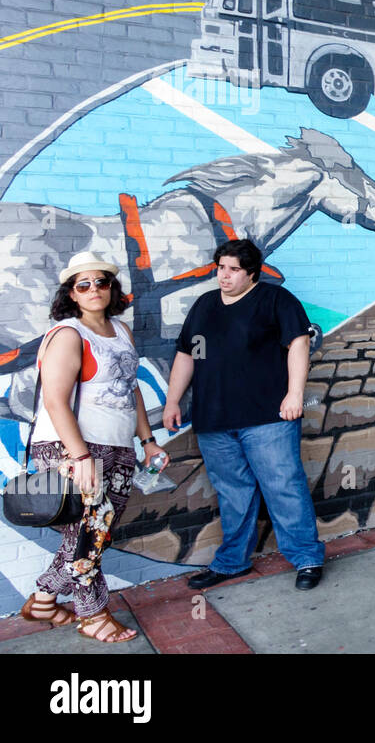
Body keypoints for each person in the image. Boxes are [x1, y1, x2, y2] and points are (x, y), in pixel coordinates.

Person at [21, 251, 168, 642]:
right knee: (89, 534)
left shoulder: (122, 332)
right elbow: (54, 399)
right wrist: (79, 456)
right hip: (73, 449)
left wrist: (148, 440)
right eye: (82, 285)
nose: (93, 290)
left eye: (101, 282)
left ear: (111, 288)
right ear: (71, 294)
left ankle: (41, 601)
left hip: (117, 446)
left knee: (91, 534)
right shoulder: (69, 334)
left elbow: (129, 387)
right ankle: (93, 615)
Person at [162, 239, 325, 590]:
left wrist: (294, 394)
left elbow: (299, 343)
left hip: (268, 417)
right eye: (220, 267)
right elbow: (186, 355)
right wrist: (173, 401)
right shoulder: (204, 306)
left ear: (252, 273)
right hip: (214, 421)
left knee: (283, 486)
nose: (224, 275)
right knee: (233, 493)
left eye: (233, 269)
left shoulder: (275, 300)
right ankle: (232, 562)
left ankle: (307, 558)